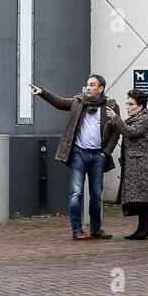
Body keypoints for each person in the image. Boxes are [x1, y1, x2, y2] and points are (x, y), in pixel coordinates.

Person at [30, 75, 120, 241]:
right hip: (79, 153)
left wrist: (106, 152)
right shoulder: (78, 102)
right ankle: (77, 230)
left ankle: (96, 229)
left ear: (100, 89)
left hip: (98, 156)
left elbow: (115, 132)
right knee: (75, 193)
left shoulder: (111, 106)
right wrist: (42, 92)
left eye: (92, 85)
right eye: (87, 84)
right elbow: (59, 102)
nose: (88, 88)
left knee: (96, 195)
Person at [108, 89, 148, 240]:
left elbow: (130, 132)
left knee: (143, 197)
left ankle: (144, 229)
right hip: (136, 164)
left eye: (131, 104)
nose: (128, 107)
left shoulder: (144, 119)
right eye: (127, 104)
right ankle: (144, 229)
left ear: (141, 106)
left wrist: (115, 118)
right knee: (140, 197)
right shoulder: (136, 118)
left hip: (142, 165)